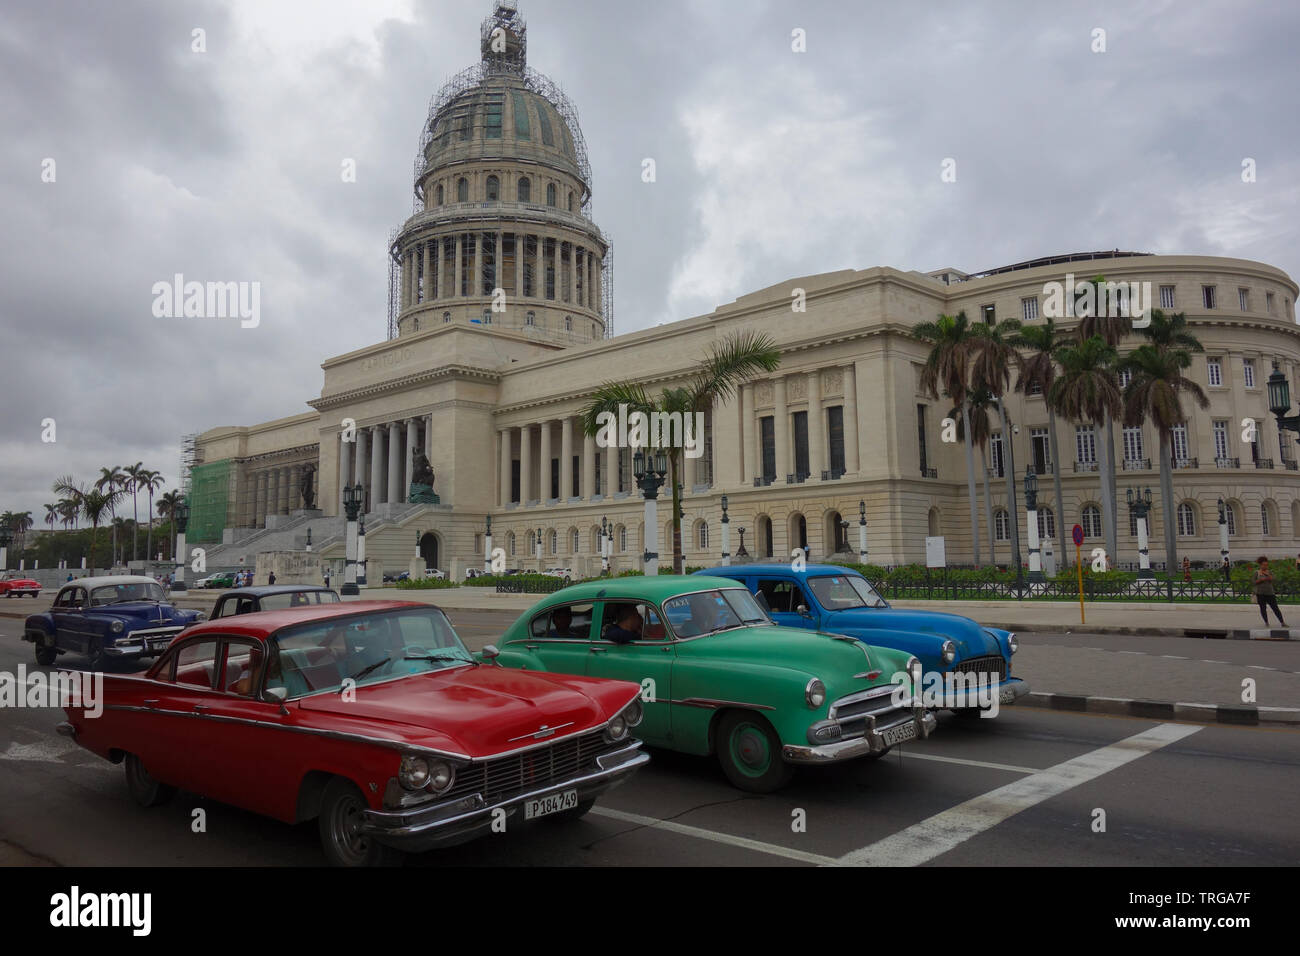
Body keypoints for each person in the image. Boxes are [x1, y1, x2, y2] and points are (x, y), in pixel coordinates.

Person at [1252, 557, 1286, 626]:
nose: (1265, 566)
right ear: (1260, 565)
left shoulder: (1269, 572)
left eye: (1266, 565)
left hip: (1270, 593)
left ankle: (1282, 622)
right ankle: (1266, 622)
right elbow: (1253, 582)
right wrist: (1261, 580)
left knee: (1275, 608)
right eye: (1264, 565)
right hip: (1260, 593)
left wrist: (1269, 577)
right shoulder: (1257, 572)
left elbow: (1274, 578)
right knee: (1263, 608)